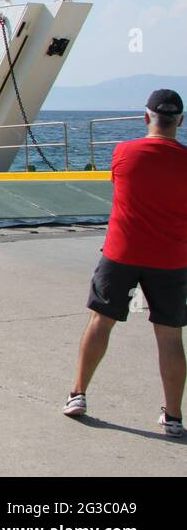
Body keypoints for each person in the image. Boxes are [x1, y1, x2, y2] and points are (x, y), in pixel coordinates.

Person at [63, 89, 187, 438]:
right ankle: (174, 417)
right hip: (171, 259)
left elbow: (121, 186)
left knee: (101, 322)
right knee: (170, 336)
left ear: (145, 117)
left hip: (121, 254)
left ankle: (78, 394)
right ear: (181, 121)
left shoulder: (124, 153)